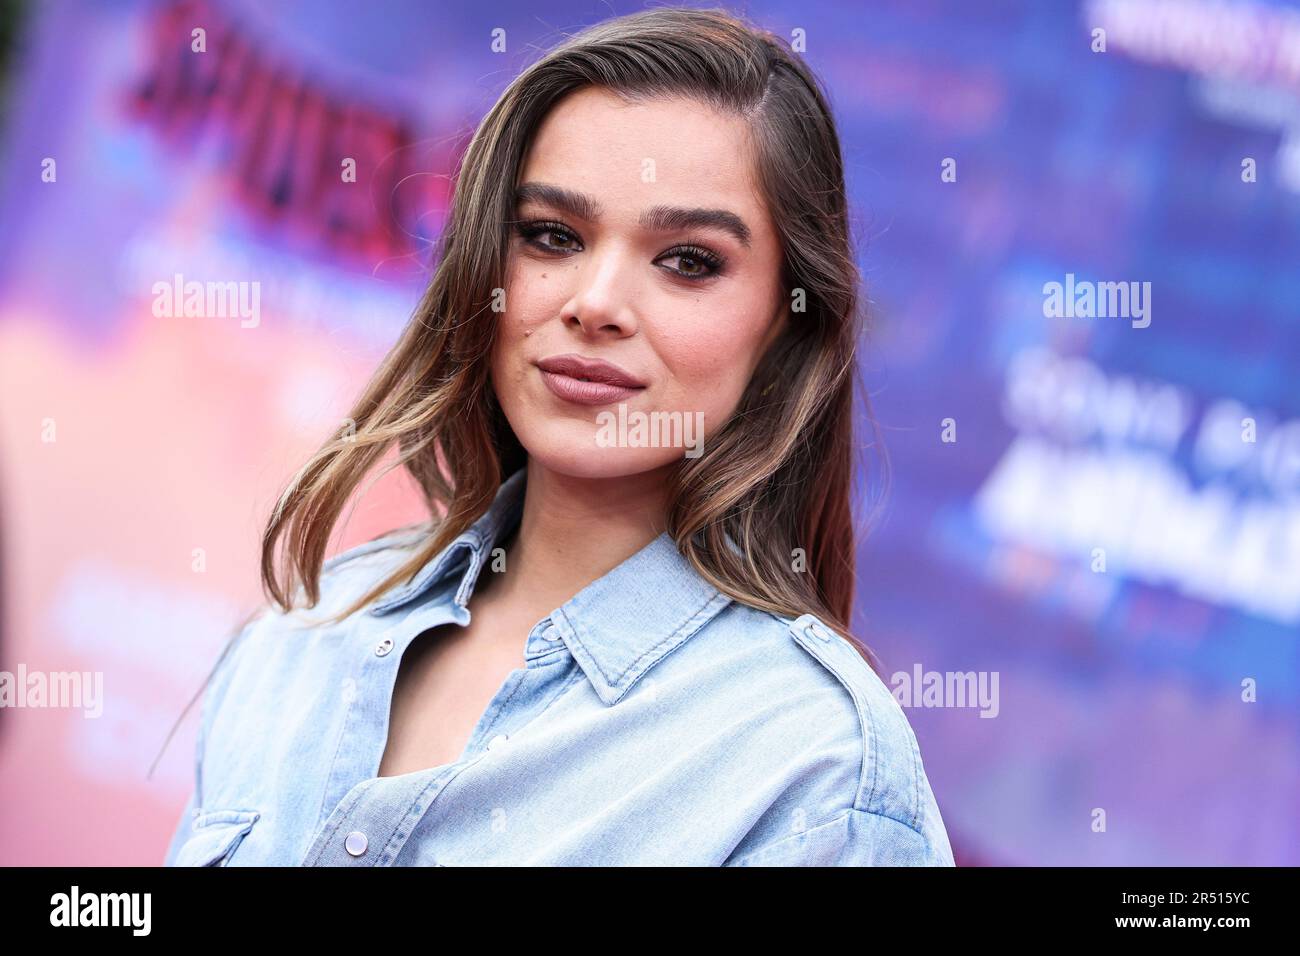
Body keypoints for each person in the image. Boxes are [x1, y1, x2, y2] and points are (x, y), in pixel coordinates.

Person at [163, 6, 955, 866]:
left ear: (784, 322)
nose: (595, 301)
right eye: (552, 236)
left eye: (689, 259)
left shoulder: (813, 768)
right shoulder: (302, 636)